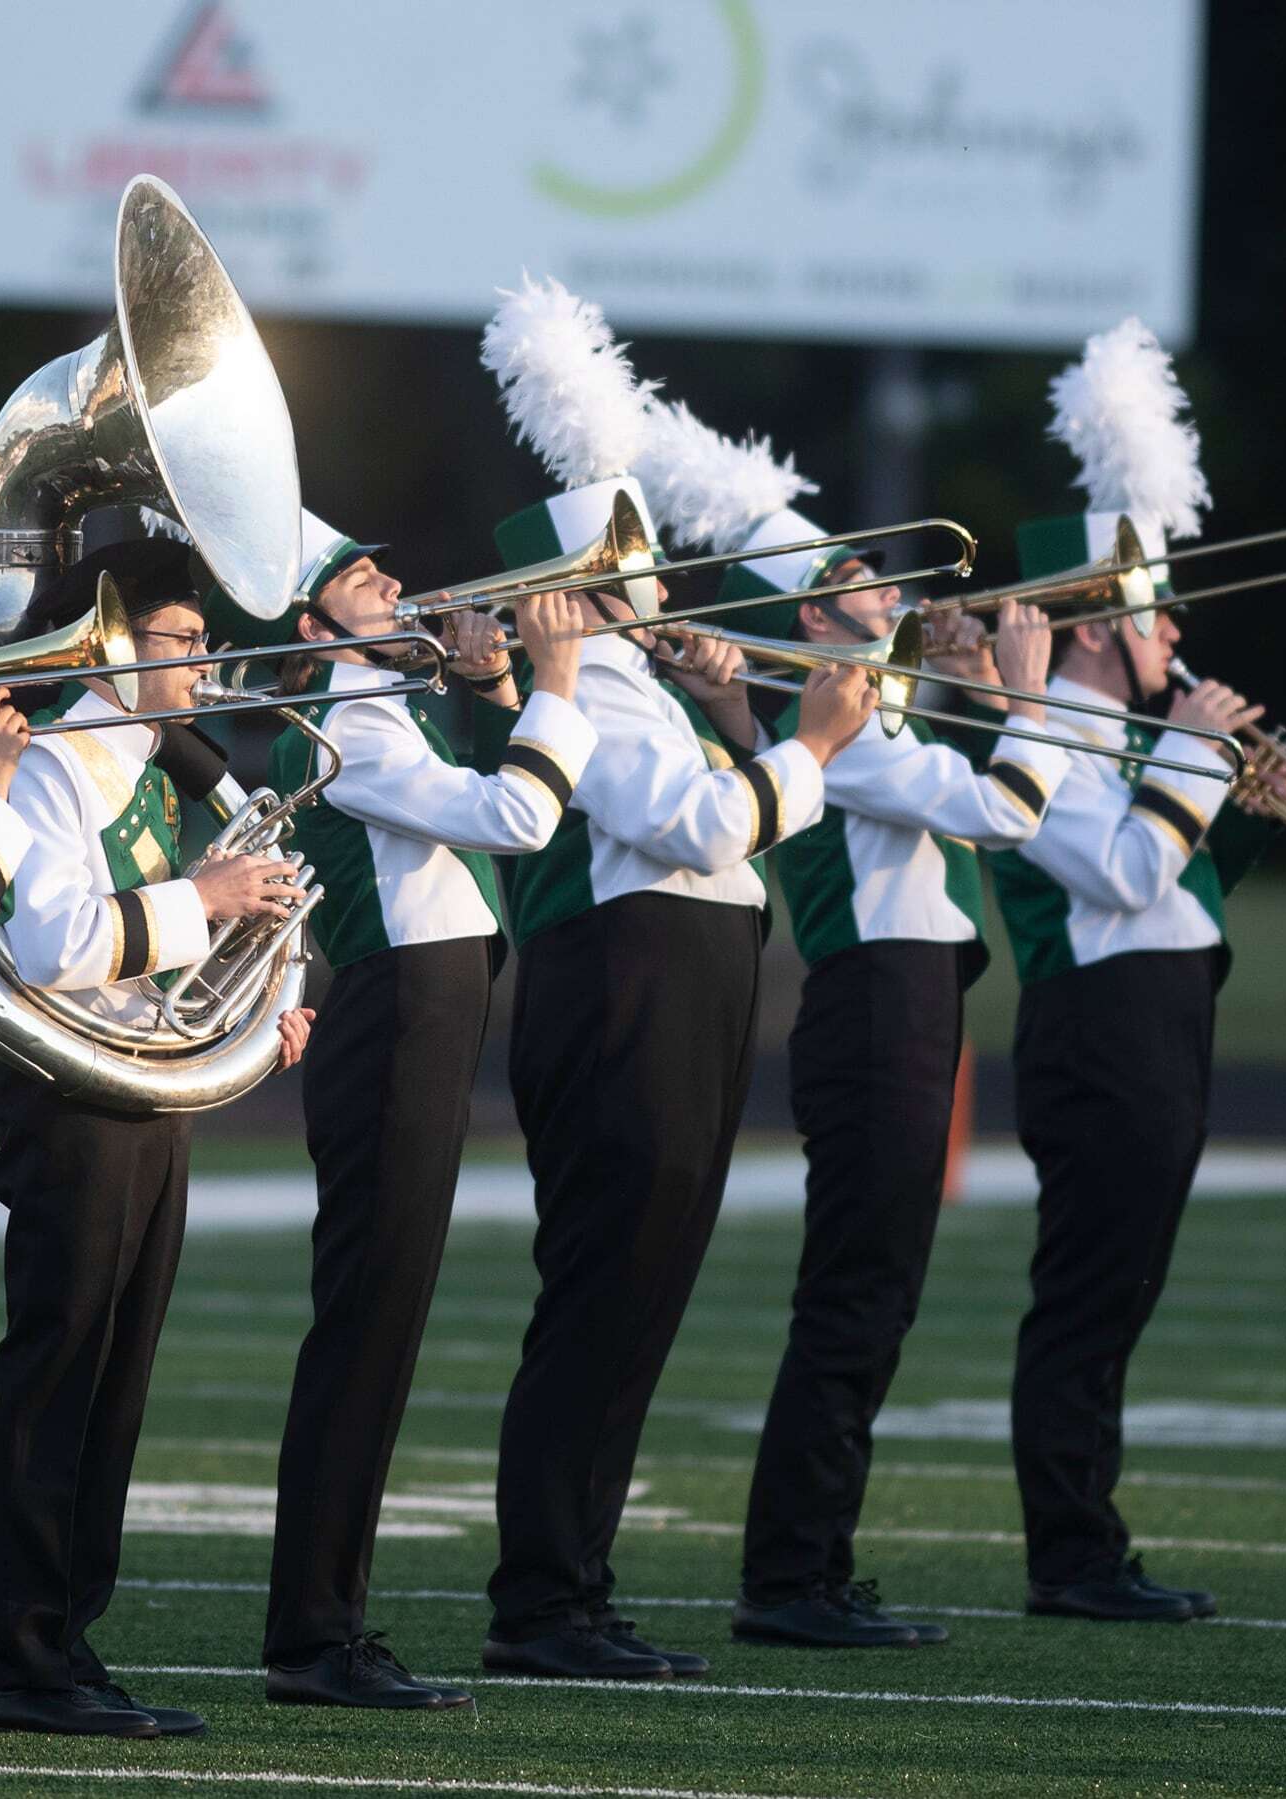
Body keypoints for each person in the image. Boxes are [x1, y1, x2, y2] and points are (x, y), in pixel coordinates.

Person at [656, 482, 1072, 1648]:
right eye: (857, 587)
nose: (891, 594)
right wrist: (1026, 692)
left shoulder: (863, 720)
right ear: (810, 624)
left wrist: (981, 683)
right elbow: (1007, 812)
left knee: (871, 1299)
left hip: (905, 996)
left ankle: (810, 1565)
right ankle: (790, 1576)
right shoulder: (822, 724)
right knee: (854, 1298)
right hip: (878, 1001)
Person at [474, 471, 874, 1680]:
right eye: (631, 563)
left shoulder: (637, 681)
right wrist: (807, 742)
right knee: (603, 1294)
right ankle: (540, 1602)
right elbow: (695, 830)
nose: (657, 586)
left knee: (639, 1299)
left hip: (681, 983)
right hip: (621, 987)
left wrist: (740, 723)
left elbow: (727, 819)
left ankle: (576, 1589)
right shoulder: (584, 682)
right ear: (578, 585)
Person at [227, 514, 598, 1708]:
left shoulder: (389, 715)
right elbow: (522, 817)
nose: (394, 582)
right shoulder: (350, 729)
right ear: (311, 626)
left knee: (380, 1329)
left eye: (384, 569)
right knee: (365, 1330)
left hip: (420, 1028)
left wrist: (495, 679)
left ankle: (325, 1620)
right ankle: (312, 1634)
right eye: (359, 579)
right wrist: (556, 675)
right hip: (392, 1033)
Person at [0, 537, 312, 1741]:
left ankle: (65, 1642)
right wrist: (205, 902)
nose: (205, 660)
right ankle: (19, 1659)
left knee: (115, 1383)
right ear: (114, 641)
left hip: (146, 1086)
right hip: (75, 1101)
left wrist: (258, 977)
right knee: (60, 1369)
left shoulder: (161, 769)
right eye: (181, 640)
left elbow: (173, 936)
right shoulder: (63, 761)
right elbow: (57, 941)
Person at [986, 318, 1286, 1623]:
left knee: (1124, 1294)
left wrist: (1243, 805)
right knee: (1088, 1298)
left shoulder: (1138, 730)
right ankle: (1071, 1551)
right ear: (1098, 627)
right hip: (1098, 1031)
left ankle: (1091, 1532)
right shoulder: (1043, 733)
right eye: (1154, 607)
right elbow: (1116, 877)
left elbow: (1172, 887)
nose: (1175, 628)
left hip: (1162, 1019)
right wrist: (1195, 762)